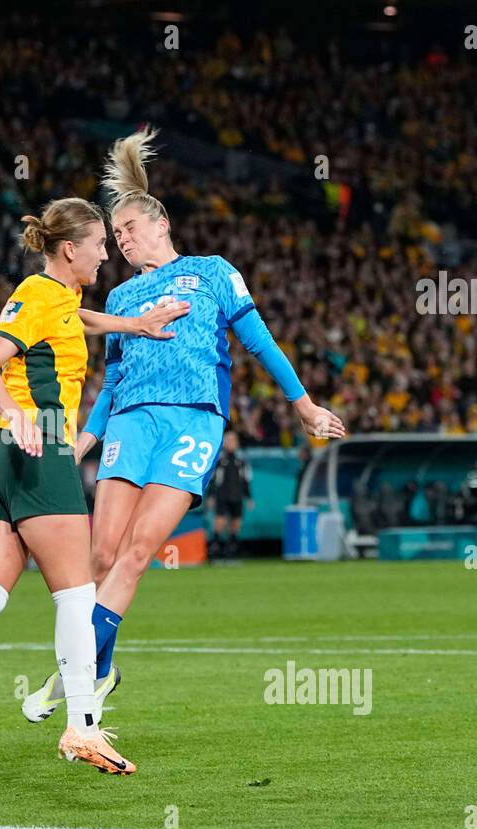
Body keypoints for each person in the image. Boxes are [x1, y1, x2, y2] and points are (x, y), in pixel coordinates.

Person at [21, 129, 344, 724]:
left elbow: (260, 342)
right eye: (113, 236)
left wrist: (303, 404)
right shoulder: (119, 296)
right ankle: (96, 669)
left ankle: (76, 678)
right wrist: (88, 436)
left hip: (194, 421)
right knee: (99, 556)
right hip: (130, 422)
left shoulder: (214, 271)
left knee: (141, 551)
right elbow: (112, 379)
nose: (120, 242)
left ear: (161, 225)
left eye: (129, 231)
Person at [0, 197, 186, 774]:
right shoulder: (41, 293)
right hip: (37, 446)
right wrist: (19, 414)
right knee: (77, 596)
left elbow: (77, 320)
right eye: (100, 244)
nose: (106, 255)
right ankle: (82, 728)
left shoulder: (58, 300)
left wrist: (135, 325)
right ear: (71, 250)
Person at [208, 429, 249, 559]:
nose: (231, 443)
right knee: (220, 521)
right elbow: (214, 480)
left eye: (233, 440)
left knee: (236, 522)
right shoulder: (219, 460)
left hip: (237, 496)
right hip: (222, 495)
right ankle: (215, 546)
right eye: (229, 440)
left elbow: (245, 479)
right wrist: (211, 496)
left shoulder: (241, 461)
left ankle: (232, 546)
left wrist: (248, 496)